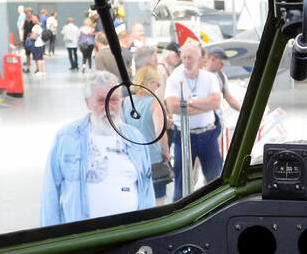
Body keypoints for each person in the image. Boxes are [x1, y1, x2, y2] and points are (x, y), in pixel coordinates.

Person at [40, 70, 155, 225]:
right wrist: (50, 239)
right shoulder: (66, 138)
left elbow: (147, 191)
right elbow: (50, 192)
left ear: (121, 100)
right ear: (88, 103)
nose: (108, 107)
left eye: (114, 99)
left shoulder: (135, 139)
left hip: (130, 237)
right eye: (101, 100)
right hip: (83, 239)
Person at [163, 40, 222, 201]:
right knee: (181, 182)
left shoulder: (209, 78)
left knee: (215, 179)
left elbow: (216, 102)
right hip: (183, 135)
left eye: (190, 58)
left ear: (199, 59)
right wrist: (204, 105)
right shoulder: (174, 78)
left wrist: (188, 103)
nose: (187, 61)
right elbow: (173, 107)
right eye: (184, 57)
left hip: (208, 135)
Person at [123, 65, 173, 205]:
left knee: (137, 200)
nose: (157, 87)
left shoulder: (125, 102)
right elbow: (159, 132)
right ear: (149, 83)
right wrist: (166, 151)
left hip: (132, 158)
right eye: (157, 84)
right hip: (153, 158)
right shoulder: (154, 103)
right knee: (158, 201)